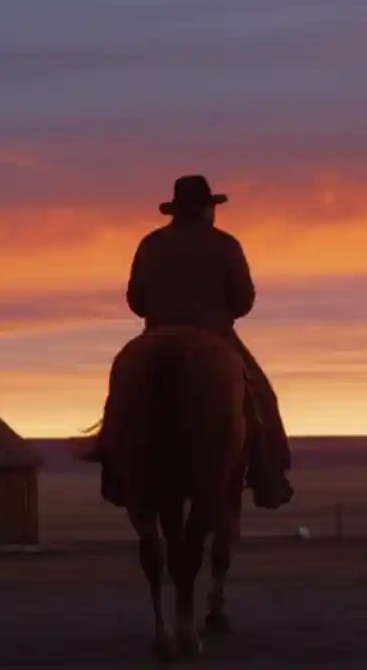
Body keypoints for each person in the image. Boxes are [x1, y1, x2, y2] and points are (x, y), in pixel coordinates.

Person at [90, 174, 294, 509]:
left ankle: (112, 468)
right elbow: (243, 300)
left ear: (176, 210)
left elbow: (135, 299)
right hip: (215, 333)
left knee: (121, 390)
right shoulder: (225, 244)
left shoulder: (151, 243)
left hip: (157, 330)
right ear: (206, 210)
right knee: (261, 396)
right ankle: (268, 475)